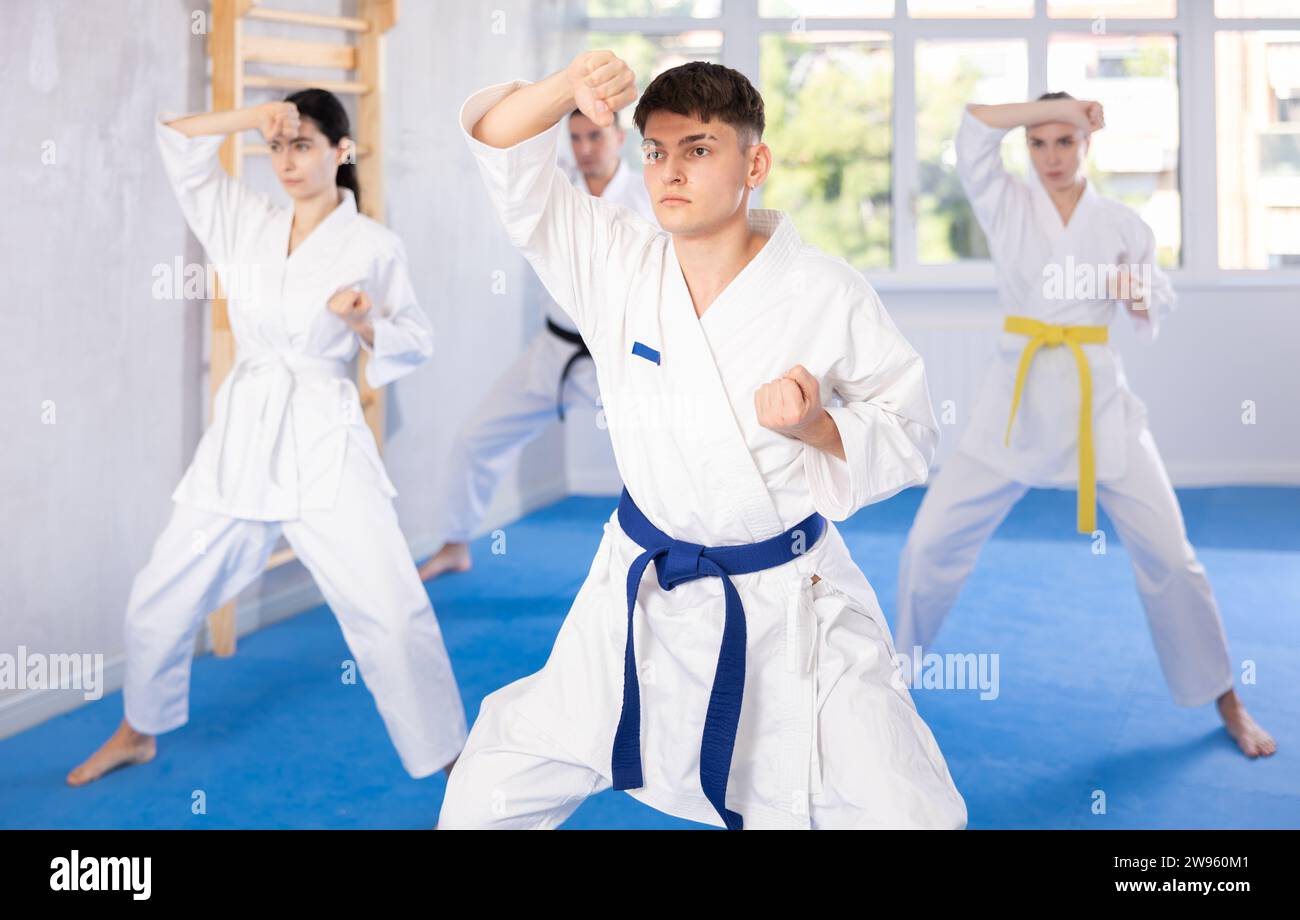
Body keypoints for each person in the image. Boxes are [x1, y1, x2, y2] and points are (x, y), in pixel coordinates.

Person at [437, 52, 968, 829]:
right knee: (491, 785)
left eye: (698, 149)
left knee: (909, 810)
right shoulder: (615, 261)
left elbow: (911, 433)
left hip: (792, 604)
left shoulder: (825, 291)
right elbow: (495, 142)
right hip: (640, 591)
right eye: (655, 151)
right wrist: (566, 88)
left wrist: (815, 426)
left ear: (754, 162)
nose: (668, 172)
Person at [67, 89, 469, 787]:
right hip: (244, 442)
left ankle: (452, 760)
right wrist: (252, 117)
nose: (287, 160)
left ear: (341, 152)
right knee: (157, 596)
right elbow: (175, 138)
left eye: (304, 144)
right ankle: (139, 729)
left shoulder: (373, 245)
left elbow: (418, 339)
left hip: (324, 445)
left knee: (392, 611)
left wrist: (367, 323)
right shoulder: (243, 220)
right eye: (278, 146)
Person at [894, 93, 1276, 759]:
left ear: (1087, 146)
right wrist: (1069, 105)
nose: (1051, 157)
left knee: (1173, 558)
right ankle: (891, 683)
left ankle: (1226, 695)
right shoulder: (1004, 201)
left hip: (1100, 409)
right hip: (1013, 406)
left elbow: (1156, 292)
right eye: (1038, 143)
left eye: (1064, 142)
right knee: (928, 544)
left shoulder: (1123, 223)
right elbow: (974, 128)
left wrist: (1137, 294)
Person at [420, 109, 657, 582]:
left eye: (595, 135)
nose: (586, 147)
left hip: (619, 357)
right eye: (576, 138)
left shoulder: (646, 197)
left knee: (655, 460)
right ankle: (454, 544)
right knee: (476, 439)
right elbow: (506, 143)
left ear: (618, 135)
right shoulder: (556, 187)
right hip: (554, 348)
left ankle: (666, 559)